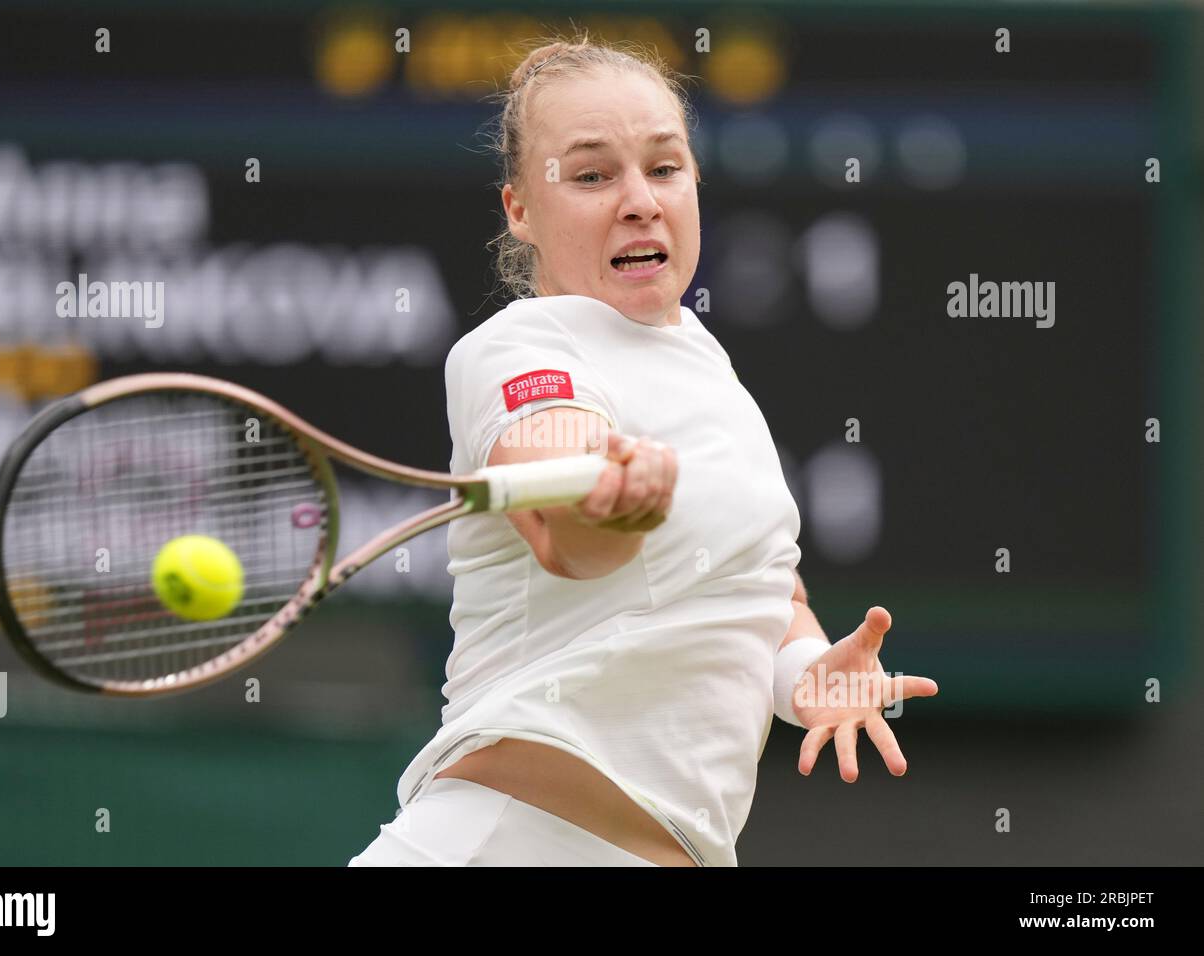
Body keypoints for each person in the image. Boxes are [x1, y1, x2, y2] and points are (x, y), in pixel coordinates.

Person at [349, 33, 937, 867]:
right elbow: (566, 526)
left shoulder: (711, 373)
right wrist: (614, 504)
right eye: (592, 175)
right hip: (503, 844)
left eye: (664, 168)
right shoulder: (523, 347)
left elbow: (762, 587)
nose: (639, 200)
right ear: (519, 207)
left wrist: (806, 672)